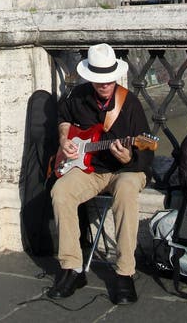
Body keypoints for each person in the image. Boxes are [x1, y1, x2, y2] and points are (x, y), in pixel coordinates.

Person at [48, 44, 153, 305]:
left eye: (108, 79)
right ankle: (72, 268)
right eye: (99, 80)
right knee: (60, 192)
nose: (104, 84)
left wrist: (129, 156)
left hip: (125, 170)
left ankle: (125, 273)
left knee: (127, 191)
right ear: (90, 78)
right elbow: (63, 117)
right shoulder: (79, 96)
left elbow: (148, 148)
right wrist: (64, 139)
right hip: (90, 169)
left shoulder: (129, 103)